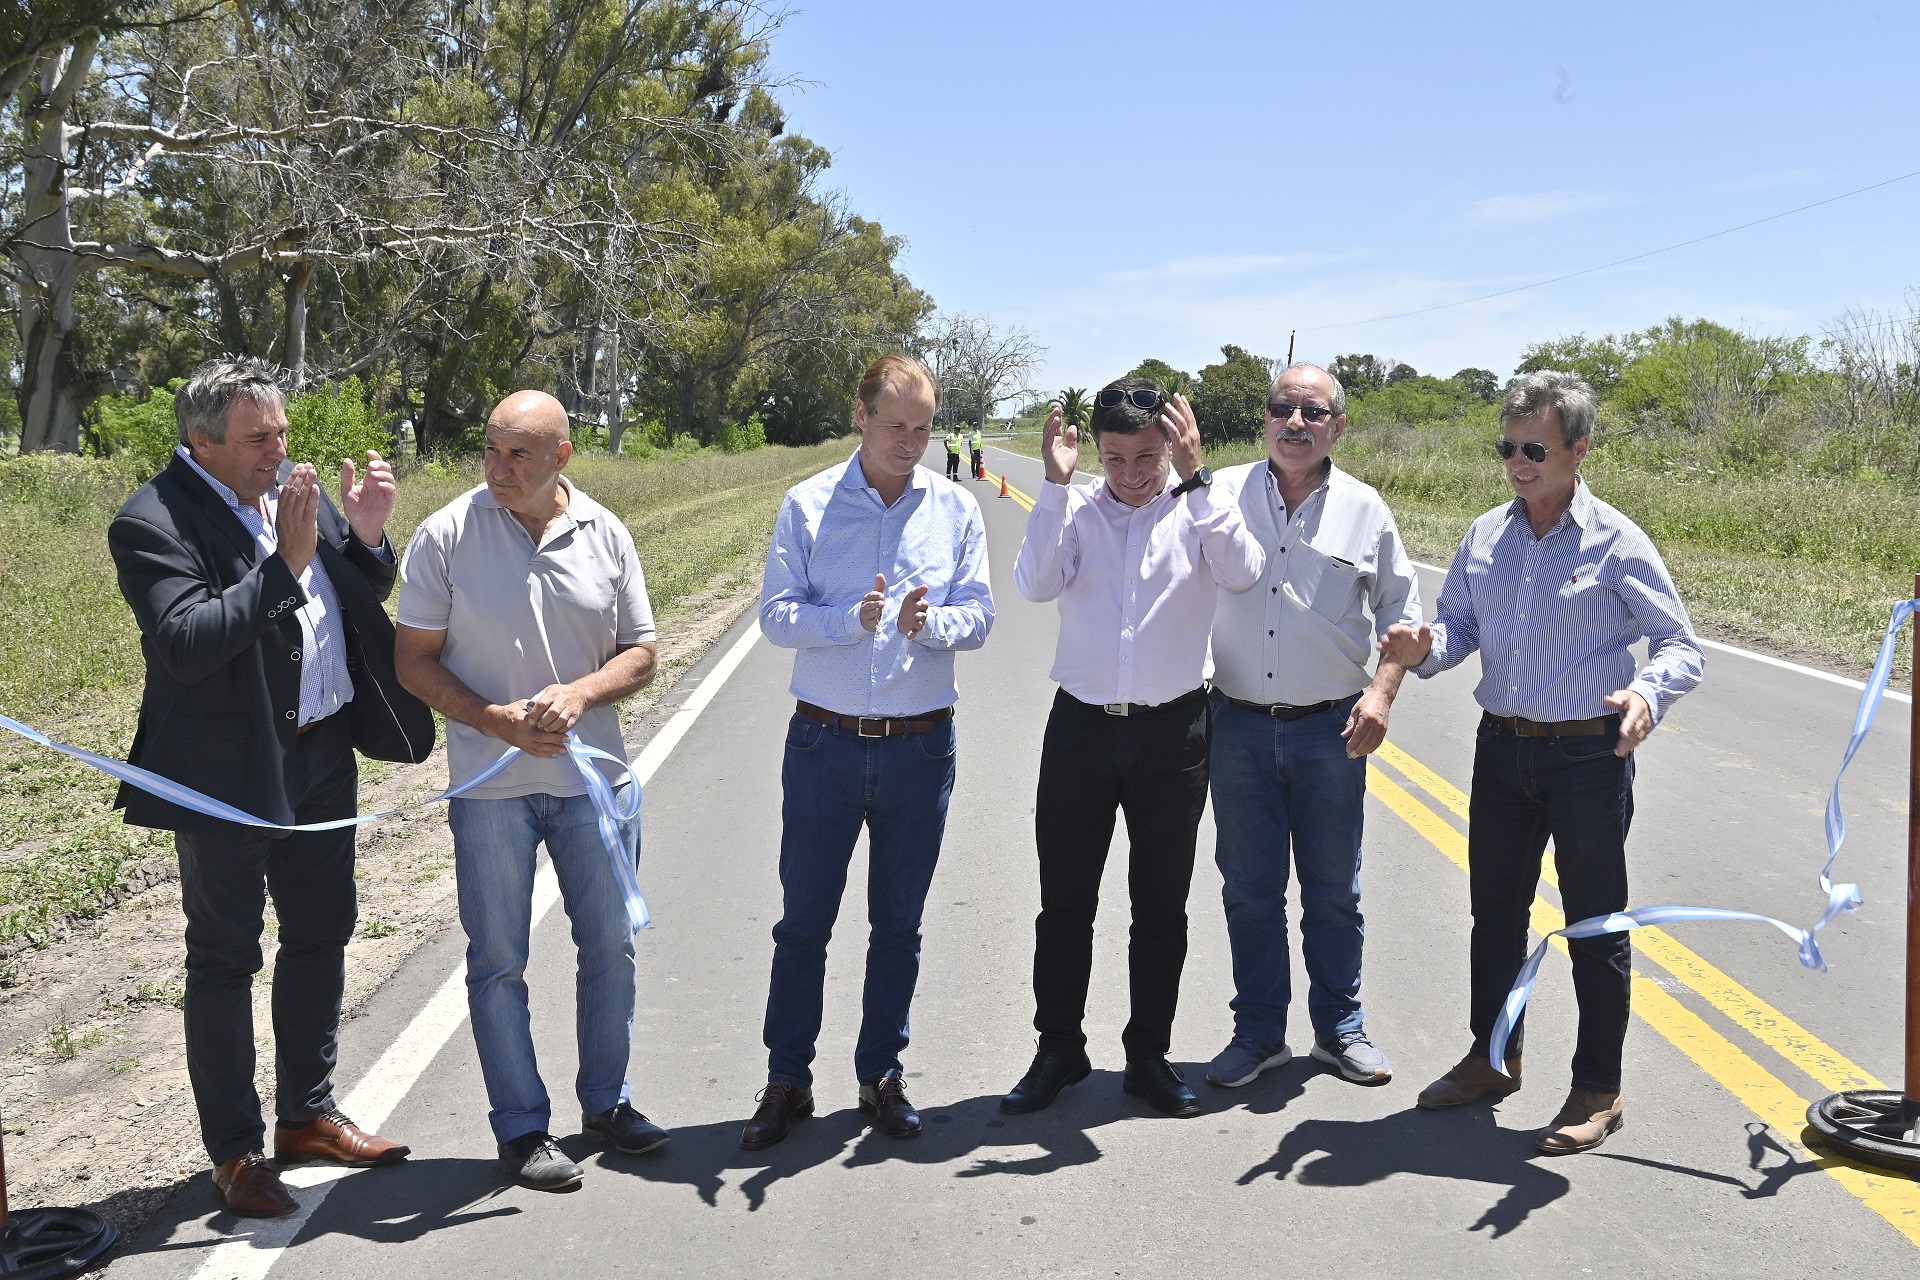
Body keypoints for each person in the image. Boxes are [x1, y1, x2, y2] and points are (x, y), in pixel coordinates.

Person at [107, 357, 423, 1218]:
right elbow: (186, 642)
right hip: (227, 774)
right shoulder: (151, 521)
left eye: (281, 432)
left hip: (323, 753)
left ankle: (307, 1117)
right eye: (257, 438)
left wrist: (366, 538)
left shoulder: (289, 488)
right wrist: (284, 562)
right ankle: (236, 1153)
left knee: (321, 931)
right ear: (201, 439)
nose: (277, 450)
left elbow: (352, 592)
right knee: (225, 957)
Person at [1379, 370, 1704, 1154]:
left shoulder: (1617, 542)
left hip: (1587, 756)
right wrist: (1425, 649)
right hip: (1502, 749)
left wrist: (1646, 695)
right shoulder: (1485, 536)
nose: (1518, 463)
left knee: (1594, 925)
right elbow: (1459, 629)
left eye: (1535, 449)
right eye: (1508, 448)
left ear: (1578, 449)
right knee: (1494, 916)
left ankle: (1598, 1088)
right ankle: (1494, 1059)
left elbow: (1680, 645)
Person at [394, 390, 667, 1191]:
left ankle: (607, 1103)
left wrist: (582, 693)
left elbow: (643, 652)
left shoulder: (605, 532)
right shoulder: (445, 535)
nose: (499, 467)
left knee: (610, 947)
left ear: (561, 457)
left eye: (519, 453)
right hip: (491, 791)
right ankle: (520, 1128)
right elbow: (412, 661)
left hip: (593, 784)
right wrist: (494, 720)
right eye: (491, 449)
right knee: (498, 961)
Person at [743, 354, 994, 1150]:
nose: (909, 443)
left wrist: (932, 625)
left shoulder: (955, 509)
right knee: (803, 925)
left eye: (922, 429)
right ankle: (787, 1079)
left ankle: (881, 1073)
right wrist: (850, 620)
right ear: (860, 417)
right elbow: (776, 616)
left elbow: (980, 615)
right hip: (825, 742)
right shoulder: (809, 504)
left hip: (920, 749)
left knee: (899, 925)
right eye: (894, 427)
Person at [1003, 377, 1264, 1119]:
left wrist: (1196, 479)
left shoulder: (1201, 507)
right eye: (1114, 458)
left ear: (1173, 446)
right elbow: (1034, 584)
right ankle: (1058, 1047)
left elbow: (1244, 572)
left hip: (1172, 732)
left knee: (1160, 905)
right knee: (1065, 903)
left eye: (1147, 456)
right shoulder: (1077, 508)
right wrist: (1055, 485)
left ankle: (1148, 1054)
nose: (1131, 474)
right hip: (1082, 728)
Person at [1204, 363, 1423, 1091]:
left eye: (1312, 412)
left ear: (1339, 426)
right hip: (1235, 726)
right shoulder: (1221, 492)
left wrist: (1382, 695)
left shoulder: (1365, 509)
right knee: (1249, 891)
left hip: (1331, 730)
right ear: (1264, 418)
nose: (1294, 423)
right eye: (1282, 408)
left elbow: (1402, 613)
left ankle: (1340, 1029)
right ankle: (1259, 1033)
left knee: (1333, 892)